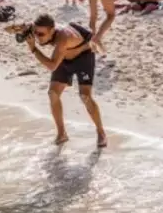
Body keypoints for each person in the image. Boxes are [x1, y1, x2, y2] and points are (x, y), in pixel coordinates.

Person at [25, 14, 107, 148]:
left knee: (85, 96)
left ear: (52, 30)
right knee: (52, 93)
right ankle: (62, 133)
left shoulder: (63, 37)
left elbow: (52, 66)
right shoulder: (42, 31)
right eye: (35, 32)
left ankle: (101, 132)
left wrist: (33, 48)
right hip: (63, 58)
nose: (37, 36)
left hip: (83, 58)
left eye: (41, 34)